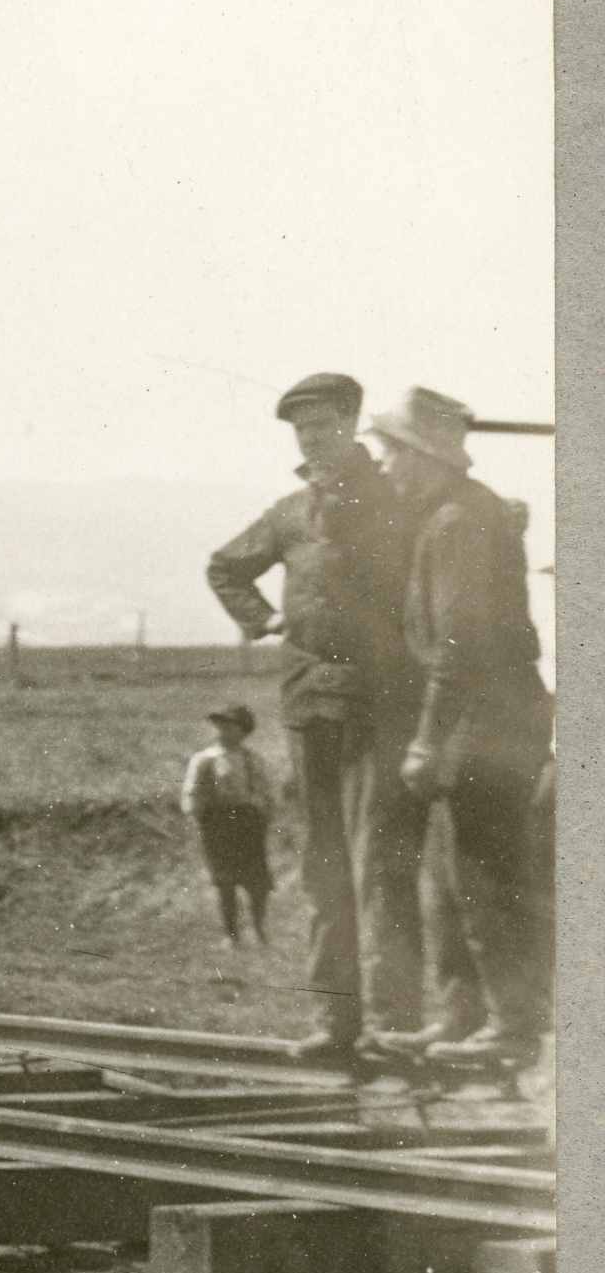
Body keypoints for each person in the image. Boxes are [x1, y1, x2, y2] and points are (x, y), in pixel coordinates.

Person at [204, 371, 425, 1064]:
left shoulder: (396, 501)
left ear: (352, 424)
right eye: (302, 430)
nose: (311, 440)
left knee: (380, 867)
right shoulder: (290, 513)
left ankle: (393, 1025)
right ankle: (336, 1023)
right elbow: (224, 568)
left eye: (324, 426)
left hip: (381, 707)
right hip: (309, 708)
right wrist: (264, 618)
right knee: (324, 868)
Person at [364, 387, 552, 1073]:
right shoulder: (457, 514)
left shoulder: (456, 524)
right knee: (449, 878)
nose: (385, 466)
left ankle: (512, 1025)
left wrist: (426, 739)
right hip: (486, 717)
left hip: (487, 720)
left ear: (423, 457)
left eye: (392, 453)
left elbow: (458, 646)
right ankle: (466, 1014)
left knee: (484, 876)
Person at [181, 703, 278, 949]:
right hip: (218, 822)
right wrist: (198, 816)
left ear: (243, 730)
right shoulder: (204, 760)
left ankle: (259, 930)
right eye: (219, 725)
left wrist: (264, 815)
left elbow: (266, 791)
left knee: (257, 881)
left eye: (229, 725)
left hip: (248, 822)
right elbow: (192, 793)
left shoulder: (253, 759)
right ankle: (231, 935)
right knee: (225, 880)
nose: (222, 730)